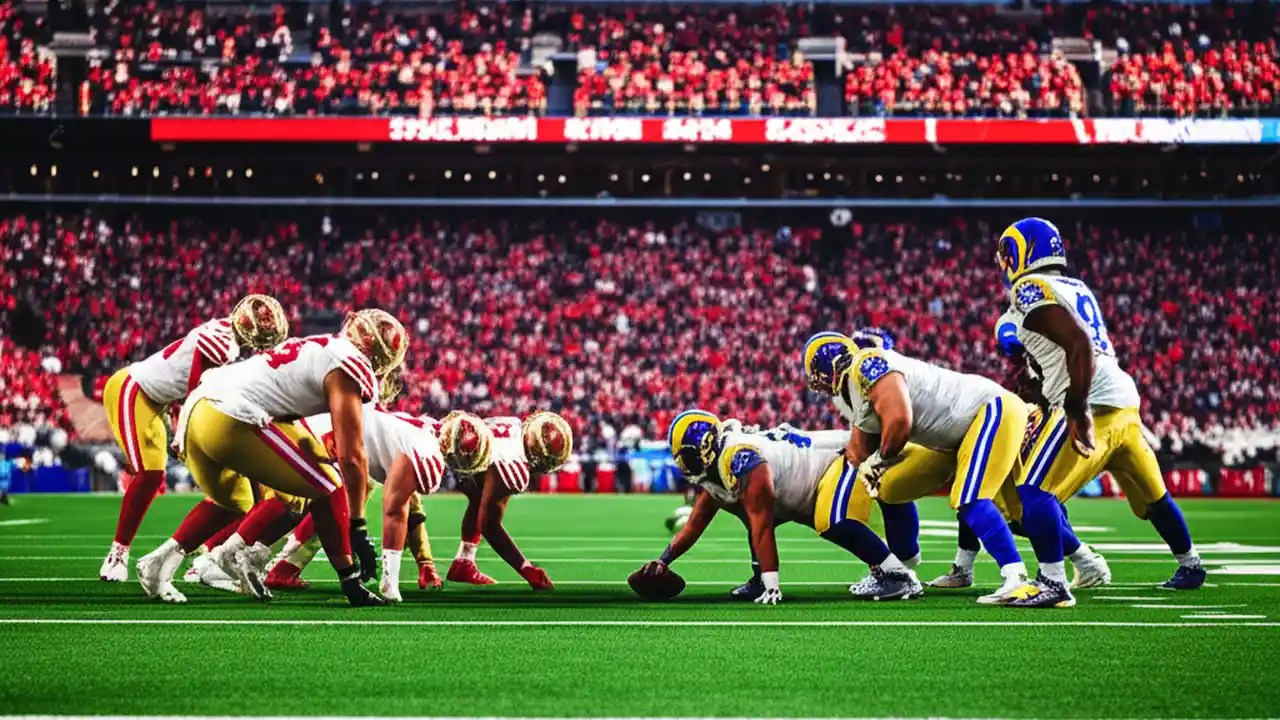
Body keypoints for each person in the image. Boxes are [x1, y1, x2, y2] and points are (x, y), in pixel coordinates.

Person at [995, 217, 1204, 608]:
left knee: (1033, 495)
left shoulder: (1029, 288)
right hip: (1123, 402)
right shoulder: (1075, 286)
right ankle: (1191, 564)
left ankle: (1053, 581)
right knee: (1153, 498)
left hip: (1088, 402)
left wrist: (1076, 408)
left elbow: (1077, 343)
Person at [134, 309, 407, 606]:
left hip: (198, 410)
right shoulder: (349, 363)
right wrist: (357, 526)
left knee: (234, 503)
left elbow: (292, 421)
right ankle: (350, 582)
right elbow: (351, 456)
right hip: (230, 417)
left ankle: (161, 562)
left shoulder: (318, 345)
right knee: (328, 484)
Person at [98, 294, 288, 582]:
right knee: (149, 475)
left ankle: (206, 552)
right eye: (261, 326)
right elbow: (198, 392)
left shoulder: (227, 338)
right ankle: (117, 555)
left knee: (227, 497)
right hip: (133, 388)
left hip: (159, 402)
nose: (264, 333)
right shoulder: (222, 342)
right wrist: (183, 432)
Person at [445, 413, 571, 591]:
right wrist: (526, 569)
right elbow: (488, 526)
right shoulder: (513, 465)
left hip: (441, 441)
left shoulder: (512, 425)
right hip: (429, 458)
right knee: (407, 516)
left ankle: (465, 561)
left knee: (479, 493)